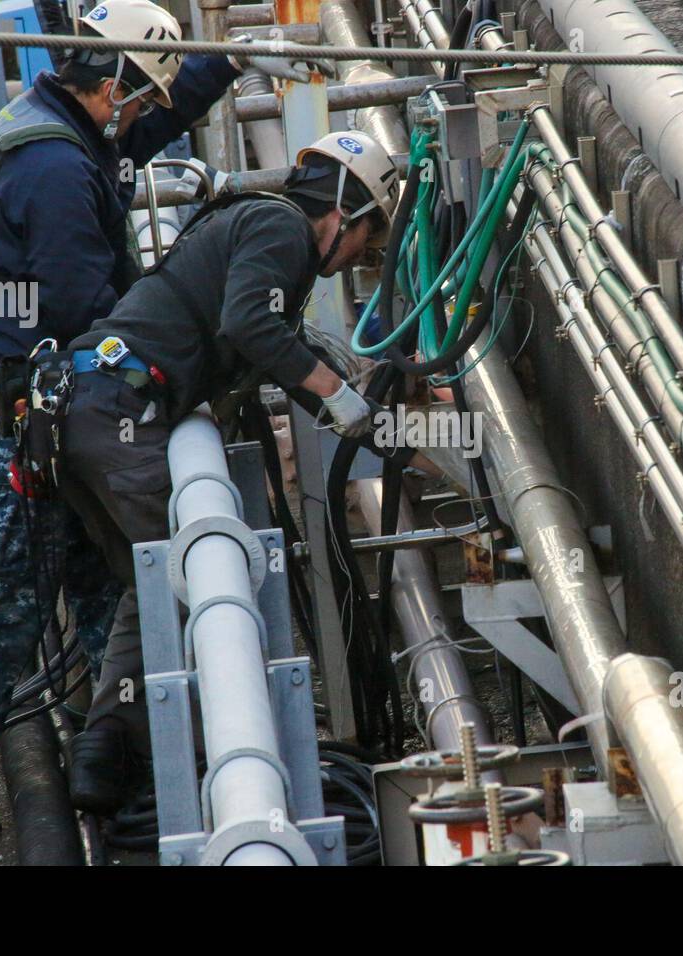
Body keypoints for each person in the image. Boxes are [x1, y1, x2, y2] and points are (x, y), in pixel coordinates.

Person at [0, 0, 323, 842]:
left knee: (114, 585)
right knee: (15, 599)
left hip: (55, 407)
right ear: (113, 82)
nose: (139, 115)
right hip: (28, 411)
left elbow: (148, 125)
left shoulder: (71, 126)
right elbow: (86, 308)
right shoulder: (58, 170)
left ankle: (126, 765)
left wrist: (229, 64)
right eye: (138, 96)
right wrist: (163, 344)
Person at [56, 130, 415, 812]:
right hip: (118, 413)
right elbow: (250, 324)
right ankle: (225, 778)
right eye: (368, 236)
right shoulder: (281, 228)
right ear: (343, 212)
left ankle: (104, 766)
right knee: (198, 584)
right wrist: (336, 397)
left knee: (151, 582)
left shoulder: (256, 221)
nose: (363, 254)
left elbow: (265, 332)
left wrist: (346, 386)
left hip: (93, 407)